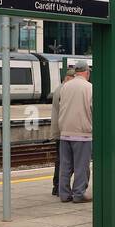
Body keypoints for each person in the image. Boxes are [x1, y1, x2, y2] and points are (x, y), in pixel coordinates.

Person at [55, 59, 93, 203]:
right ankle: (79, 194)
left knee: (65, 165)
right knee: (81, 166)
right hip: (82, 133)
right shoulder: (89, 87)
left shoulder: (65, 86)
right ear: (86, 72)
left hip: (65, 132)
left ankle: (64, 194)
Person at [50, 65, 74, 196]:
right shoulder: (64, 90)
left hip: (59, 129)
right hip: (62, 131)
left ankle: (57, 186)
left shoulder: (59, 89)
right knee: (63, 161)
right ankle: (59, 187)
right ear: (68, 78)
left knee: (60, 160)